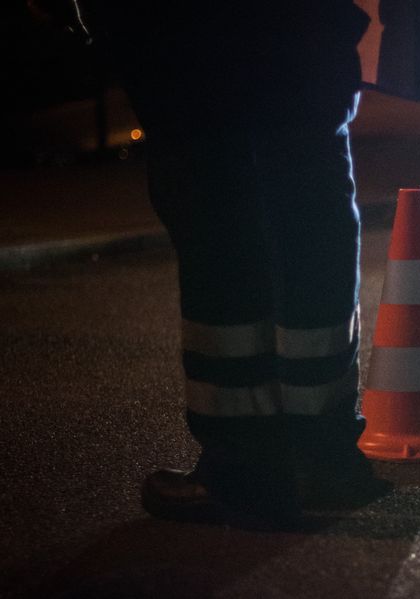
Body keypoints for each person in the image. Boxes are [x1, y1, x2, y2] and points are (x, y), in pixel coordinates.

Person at [54, 0, 391, 529]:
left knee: (221, 229)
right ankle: (322, 462)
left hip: (194, 45)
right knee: (309, 212)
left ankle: (244, 471)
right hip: (301, 40)